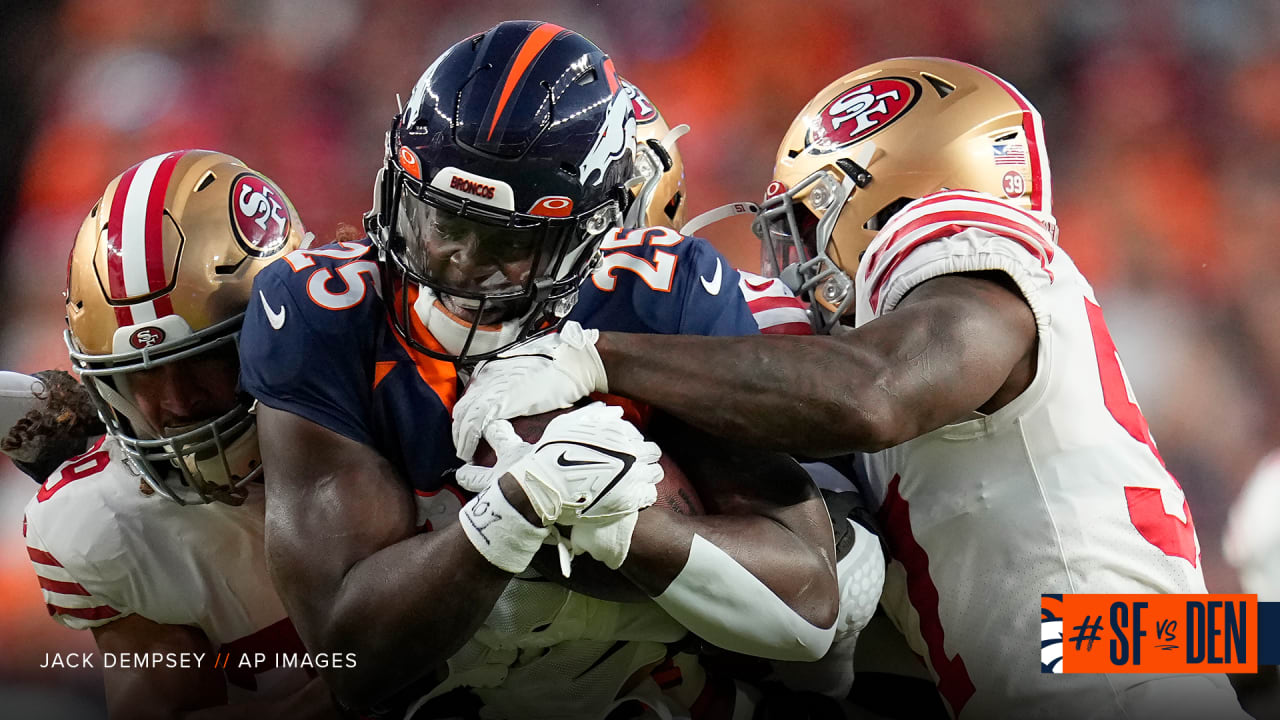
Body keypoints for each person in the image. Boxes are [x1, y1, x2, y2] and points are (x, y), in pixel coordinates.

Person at [453, 57, 1250, 719]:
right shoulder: (942, 421)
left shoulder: (962, 257)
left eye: (805, 220)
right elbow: (1055, 622)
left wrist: (598, 355)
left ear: (887, 195)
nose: (791, 260)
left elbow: (873, 393)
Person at [239, 21, 854, 719]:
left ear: (589, 232)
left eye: (506, 238)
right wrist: (515, 510)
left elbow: (812, 604)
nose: (463, 263)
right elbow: (349, 660)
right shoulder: (320, 310)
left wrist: (626, 523)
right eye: (441, 221)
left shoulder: (661, 293)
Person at [17, 150, 338, 719]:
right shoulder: (105, 521)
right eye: (141, 374)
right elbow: (170, 703)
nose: (176, 403)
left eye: (204, 362)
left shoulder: (405, 395)